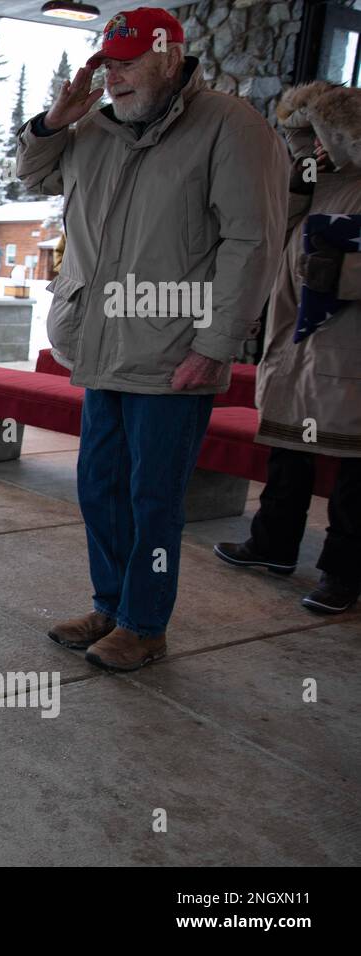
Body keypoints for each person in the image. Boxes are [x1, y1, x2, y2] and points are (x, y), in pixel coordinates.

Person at [17, 7, 288, 670]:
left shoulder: (231, 126)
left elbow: (251, 242)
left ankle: (145, 622)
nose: (114, 77)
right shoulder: (91, 129)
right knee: (98, 488)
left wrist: (216, 343)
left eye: (129, 61)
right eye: (107, 63)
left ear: (171, 58)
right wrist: (54, 122)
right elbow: (32, 176)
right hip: (100, 344)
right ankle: (111, 605)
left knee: (153, 497)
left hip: (175, 354)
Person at [214, 81, 361, 614]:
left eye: (320, 137)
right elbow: (276, 230)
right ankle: (272, 543)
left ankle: (343, 575)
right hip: (294, 343)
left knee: (353, 472)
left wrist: (341, 272)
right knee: (288, 452)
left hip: (346, 350)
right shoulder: (315, 184)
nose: (314, 149)